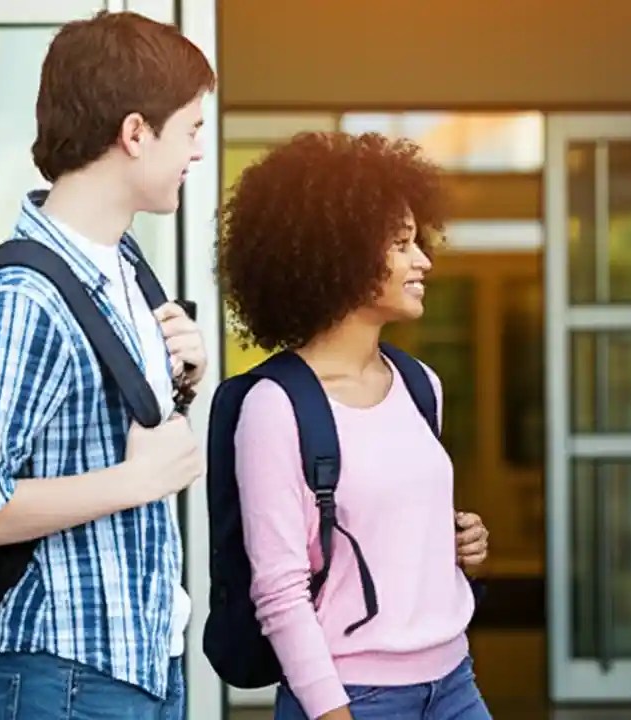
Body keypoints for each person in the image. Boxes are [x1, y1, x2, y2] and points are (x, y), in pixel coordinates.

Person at [0, 10, 213, 719]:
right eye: (190, 130)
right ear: (134, 133)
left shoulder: (126, 271)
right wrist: (135, 481)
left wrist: (181, 381)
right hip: (66, 675)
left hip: (145, 662)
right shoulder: (21, 299)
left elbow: (94, 436)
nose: (197, 153)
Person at [216, 131, 491, 720]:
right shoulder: (274, 406)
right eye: (401, 244)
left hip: (455, 684)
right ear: (339, 255)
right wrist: (331, 711)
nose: (424, 260)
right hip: (352, 699)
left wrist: (458, 542)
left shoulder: (420, 384)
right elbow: (280, 591)